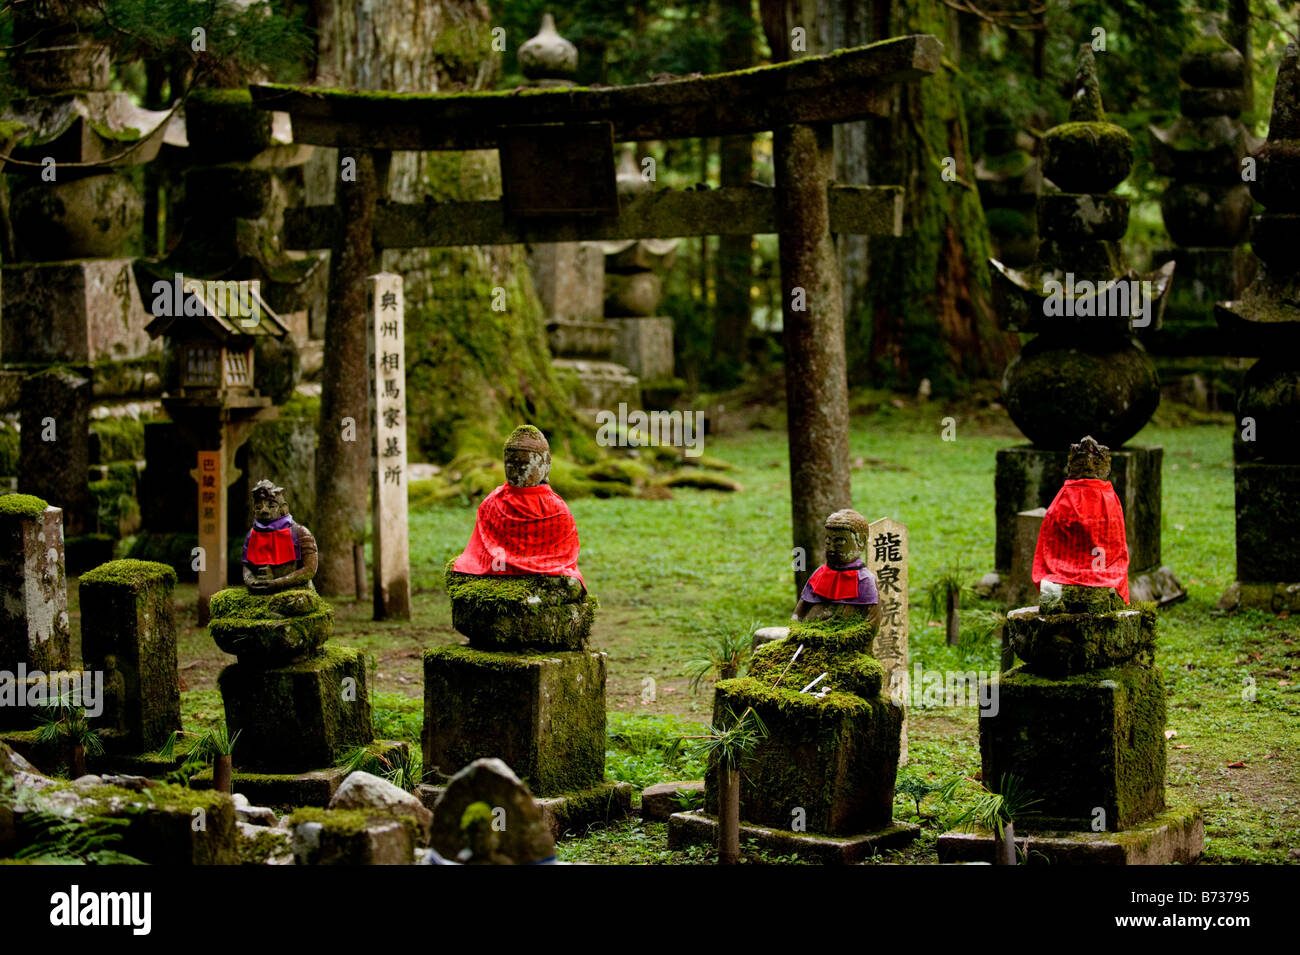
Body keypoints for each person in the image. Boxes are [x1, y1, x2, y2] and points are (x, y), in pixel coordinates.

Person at [452, 425, 584, 587]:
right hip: (501, 570)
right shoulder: (493, 502)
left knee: (570, 584)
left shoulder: (557, 508)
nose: (516, 471)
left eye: (524, 464)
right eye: (510, 464)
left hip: (545, 579)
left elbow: (565, 557)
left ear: (546, 464)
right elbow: (484, 550)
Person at [1032, 435, 1130, 604]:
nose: (1089, 467)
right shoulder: (1070, 499)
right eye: (1081, 464)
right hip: (1069, 574)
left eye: (1096, 464)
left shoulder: (1104, 498)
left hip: (1090, 574)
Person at [242, 479, 318, 593]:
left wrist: (278, 583)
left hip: (293, 591)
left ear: (283, 508)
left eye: (271, 506)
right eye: (258, 507)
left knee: (294, 603)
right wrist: (251, 581)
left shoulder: (300, 533)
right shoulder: (252, 535)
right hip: (260, 592)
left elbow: (310, 569)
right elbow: (247, 566)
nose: (264, 510)